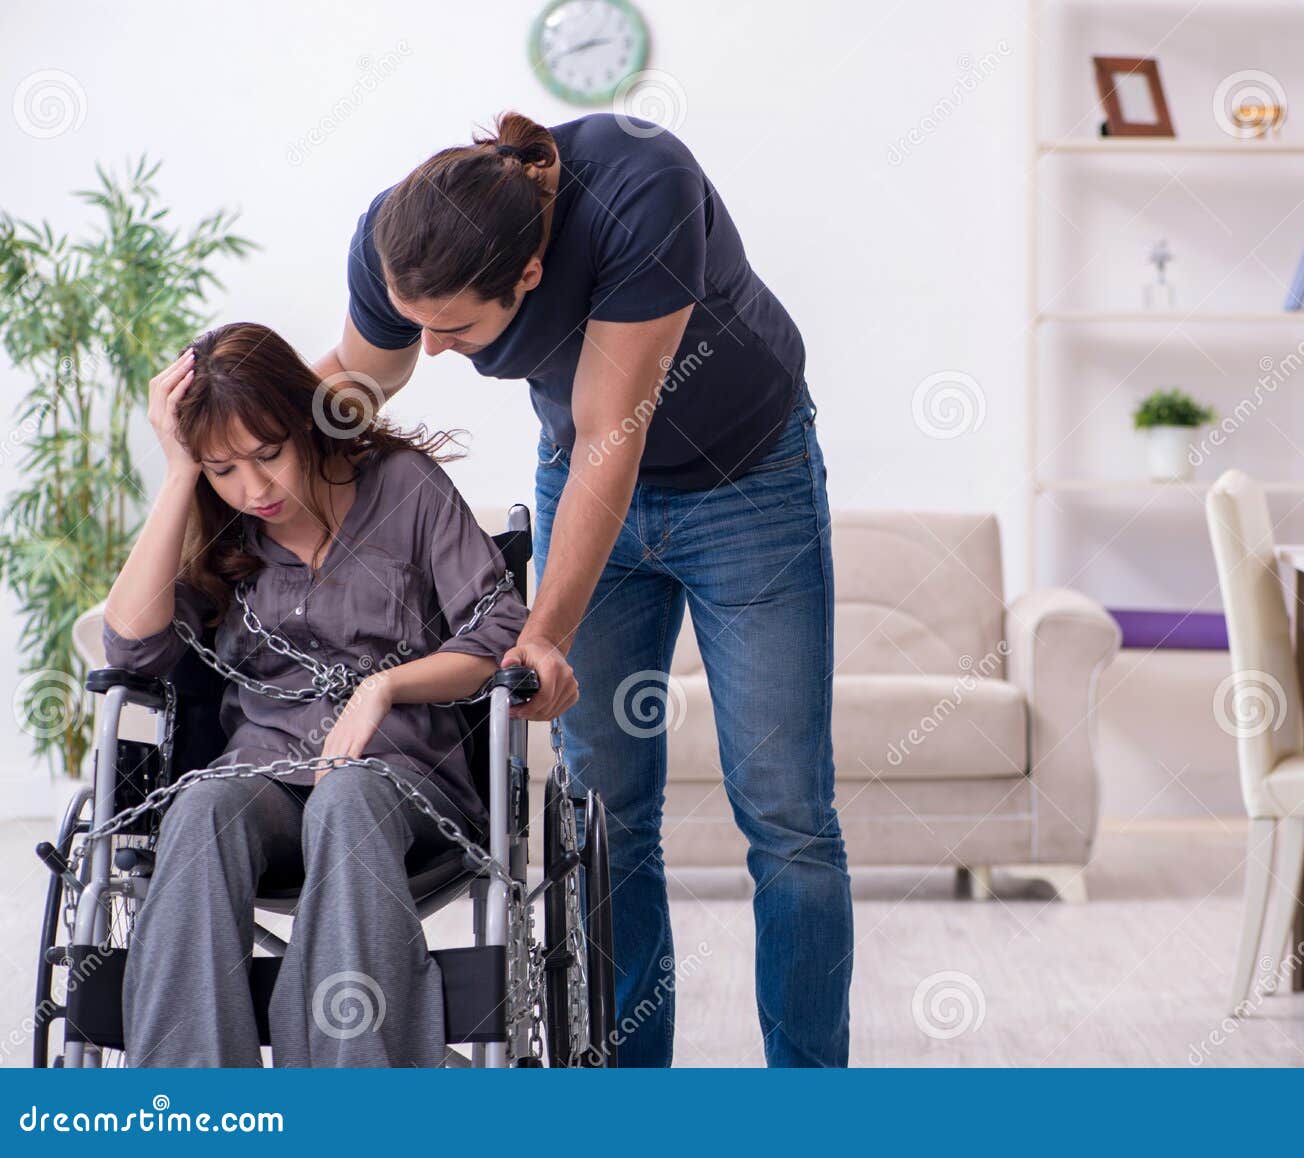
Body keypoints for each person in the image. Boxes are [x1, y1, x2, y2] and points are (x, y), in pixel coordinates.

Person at [313, 109, 852, 1066]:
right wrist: (236, 427)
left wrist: (543, 631)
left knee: (786, 814)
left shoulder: (642, 187)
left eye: (454, 329)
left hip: (749, 482)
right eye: (420, 323)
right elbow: (363, 380)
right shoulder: (400, 232)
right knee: (604, 812)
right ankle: (626, 1093)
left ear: (527, 273)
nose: (433, 349)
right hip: (584, 471)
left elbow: (615, 428)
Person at [101, 322, 527, 1066]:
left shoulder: (404, 488)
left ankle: (352, 1110)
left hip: (402, 785)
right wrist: (178, 474)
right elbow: (132, 648)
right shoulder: (215, 521)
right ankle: (190, 1111)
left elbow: (498, 634)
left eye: (268, 455)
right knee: (200, 803)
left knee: (348, 798)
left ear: (304, 421)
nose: (253, 488)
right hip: (264, 781)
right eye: (222, 467)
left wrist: (384, 688)